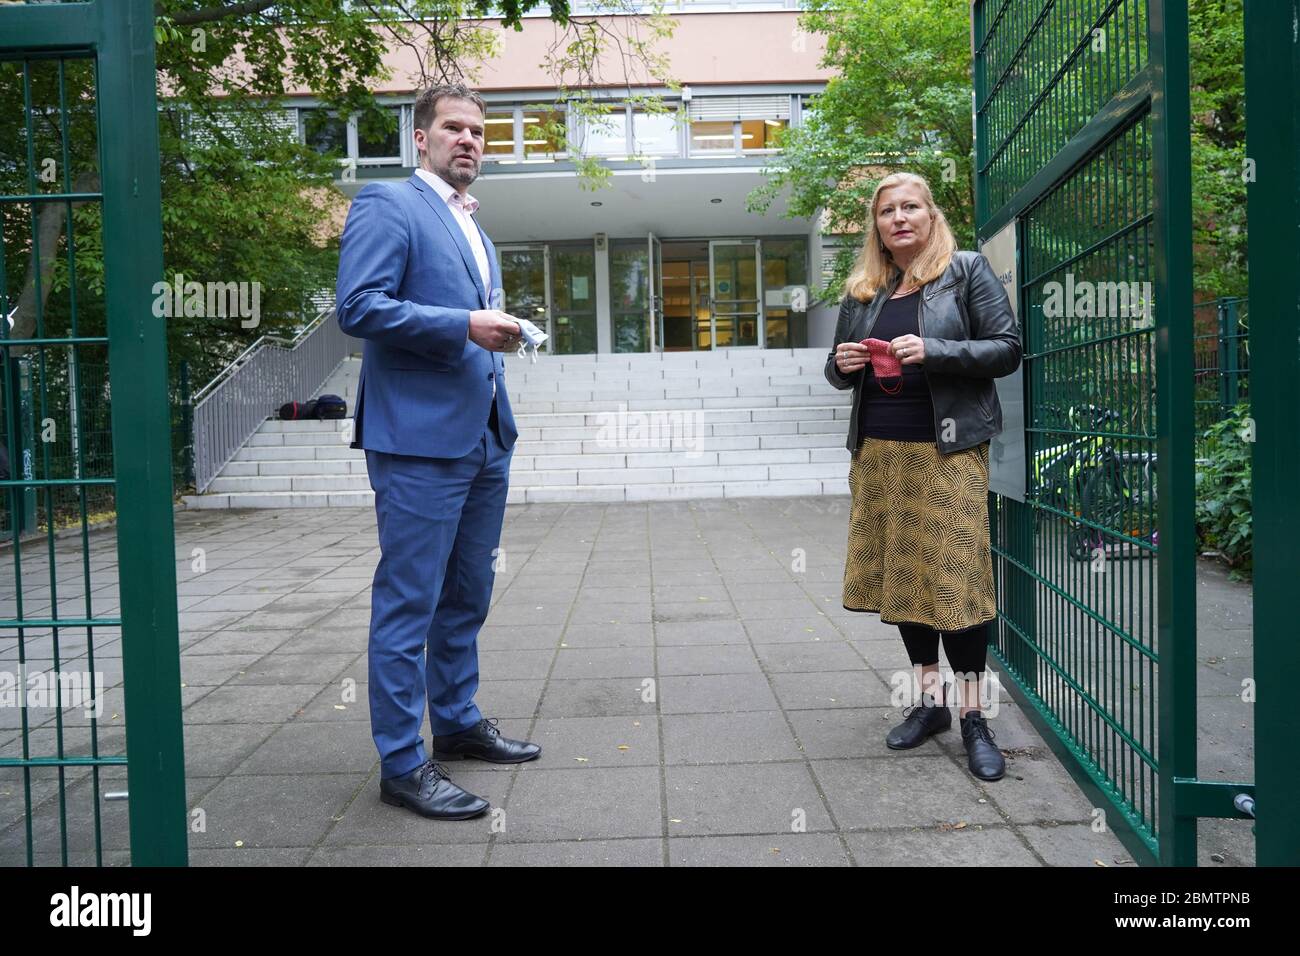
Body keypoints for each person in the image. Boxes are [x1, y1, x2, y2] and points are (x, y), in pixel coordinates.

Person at [336, 83, 541, 821]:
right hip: (418, 441)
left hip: (484, 435)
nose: (468, 140)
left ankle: (454, 721)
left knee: (467, 593)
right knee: (409, 601)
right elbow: (359, 306)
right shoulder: (389, 203)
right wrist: (464, 325)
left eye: (478, 131)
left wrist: (495, 334)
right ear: (420, 138)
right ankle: (402, 763)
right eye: (453, 128)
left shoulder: (475, 227)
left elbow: (466, 322)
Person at [824, 172, 1021, 781]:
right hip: (880, 454)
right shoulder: (864, 290)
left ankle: (974, 718)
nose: (899, 218)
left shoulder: (964, 271)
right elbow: (835, 372)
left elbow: (1007, 348)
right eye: (888, 211)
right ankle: (931, 703)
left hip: (948, 453)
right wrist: (843, 364)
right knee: (906, 581)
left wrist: (936, 350)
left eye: (910, 207)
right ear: (877, 226)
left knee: (958, 585)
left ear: (931, 215)